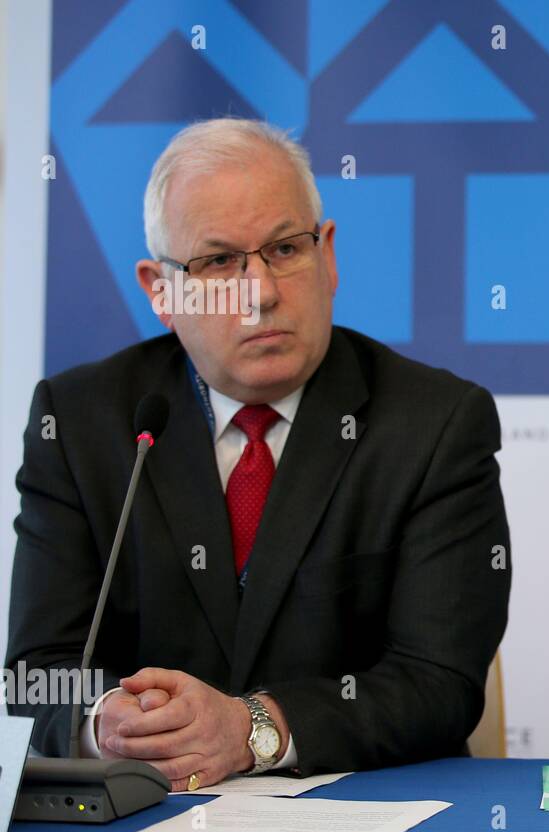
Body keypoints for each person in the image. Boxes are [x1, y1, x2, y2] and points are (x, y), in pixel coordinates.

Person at [7, 119, 511, 790]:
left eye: (284, 248)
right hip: (144, 820)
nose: (262, 292)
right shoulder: (80, 423)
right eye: (218, 263)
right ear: (162, 290)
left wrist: (251, 727)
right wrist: (105, 720)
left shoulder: (435, 424)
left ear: (327, 255)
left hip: (371, 819)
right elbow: (37, 670)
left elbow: (439, 680)